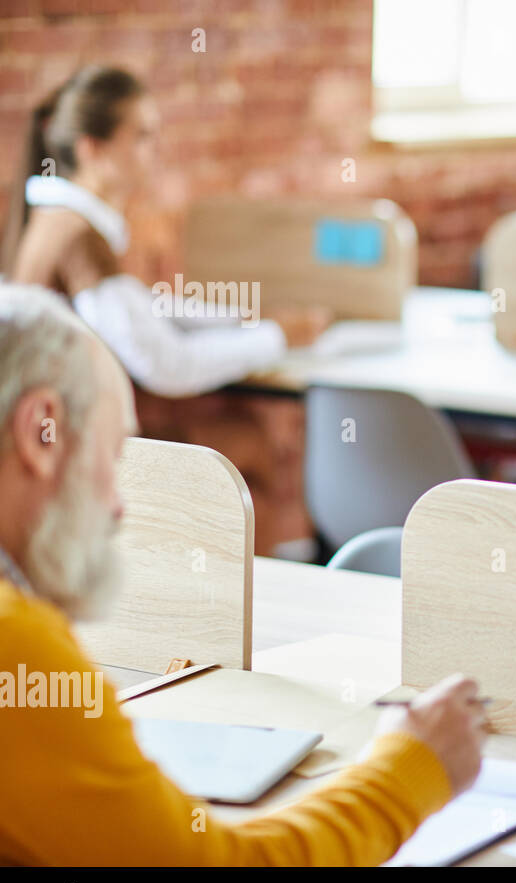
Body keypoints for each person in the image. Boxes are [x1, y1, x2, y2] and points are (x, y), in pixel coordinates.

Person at [0, 284, 484, 865]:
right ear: (40, 432)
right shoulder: (17, 644)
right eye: (110, 457)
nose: (118, 505)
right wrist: (410, 770)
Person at [3, 66, 332, 555]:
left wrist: (245, 317)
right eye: (141, 137)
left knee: (239, 425)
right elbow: (165, 365)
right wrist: (278, 338)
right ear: (93, 149)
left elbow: (140, 309)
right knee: (250, 444)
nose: (156, 150)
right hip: (75, 444)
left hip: (48, 432)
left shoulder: (55, 221)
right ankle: (246, 610)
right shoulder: (80, 241)